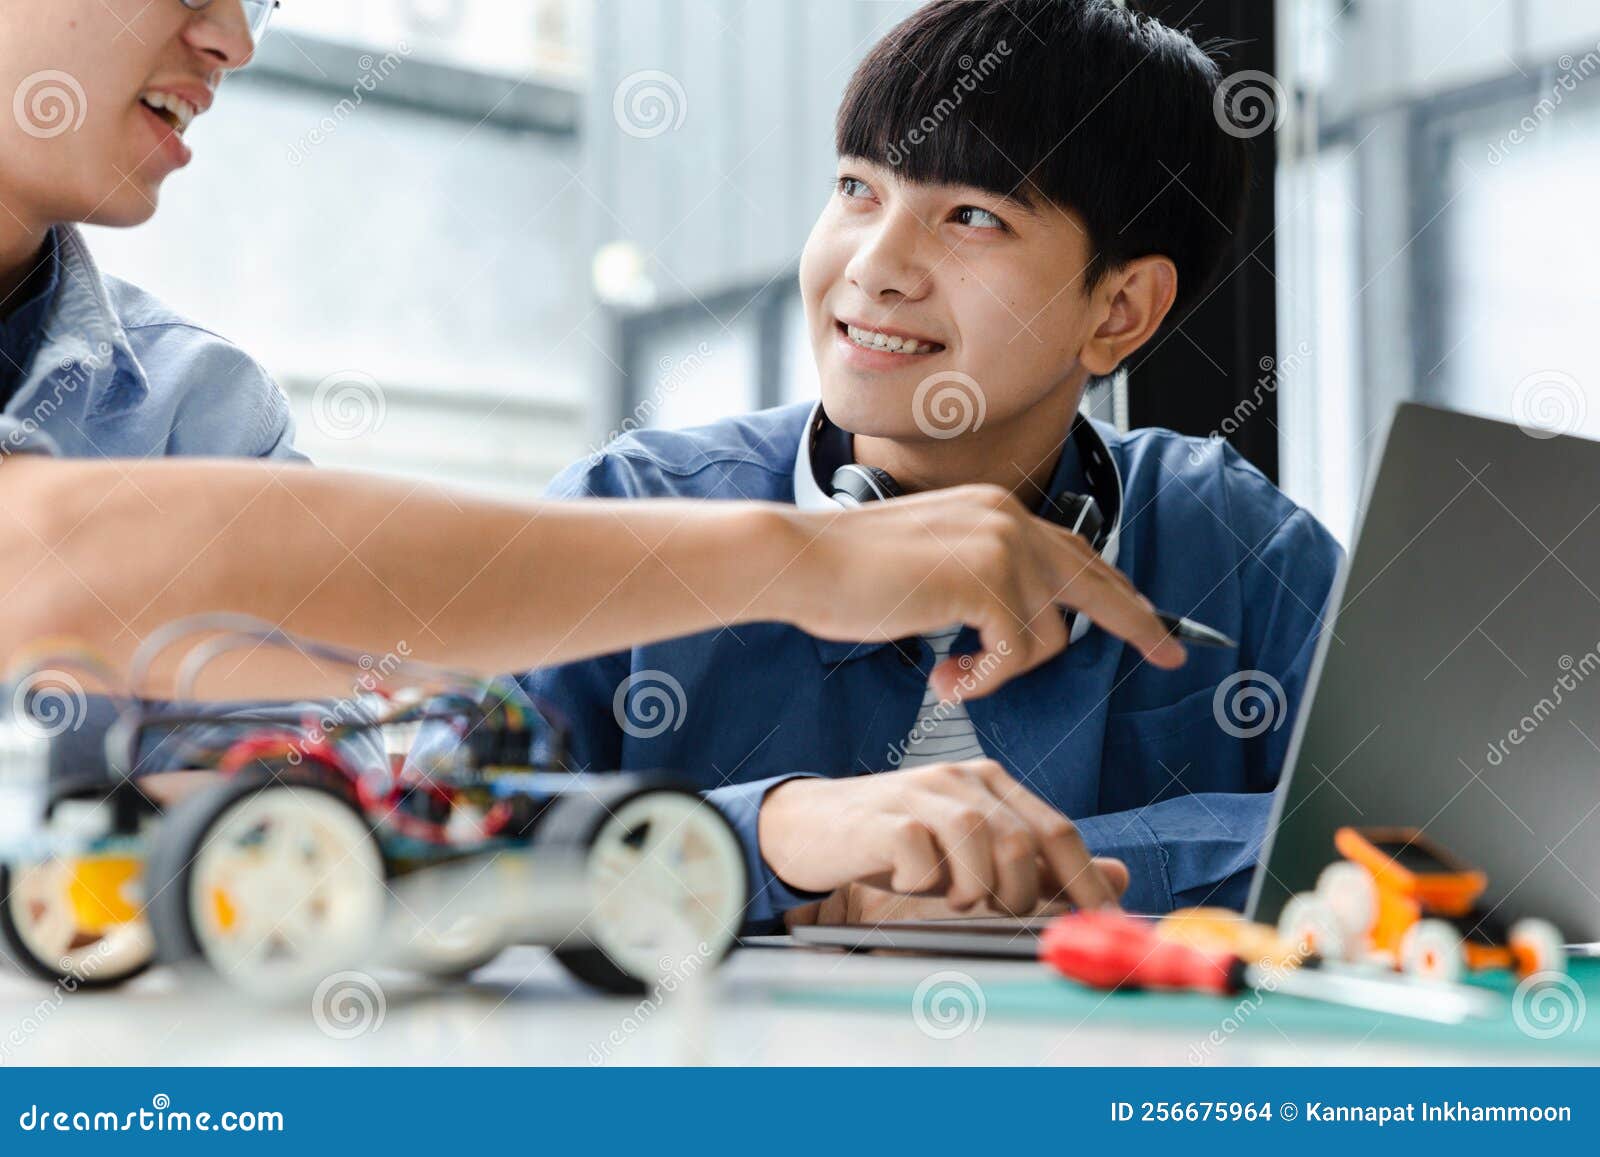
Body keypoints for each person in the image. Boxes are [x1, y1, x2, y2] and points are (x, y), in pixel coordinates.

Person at [414, 0, 1344, 932]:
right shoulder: (629, 509)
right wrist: (771, 843)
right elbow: (429, 845)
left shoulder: (1235, 543)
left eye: (972, 216)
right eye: (858, 188)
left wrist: (1039, 876)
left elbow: (1402, 828)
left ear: (1119, 310)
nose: (876, 263)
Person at [0, 2, 1179, 707]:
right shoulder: (654, 494)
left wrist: (765, 842)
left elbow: (345, 746)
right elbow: (36, 566)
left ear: (1123, 308)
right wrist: (803, 560)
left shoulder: (198, 409)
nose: (233, 38)